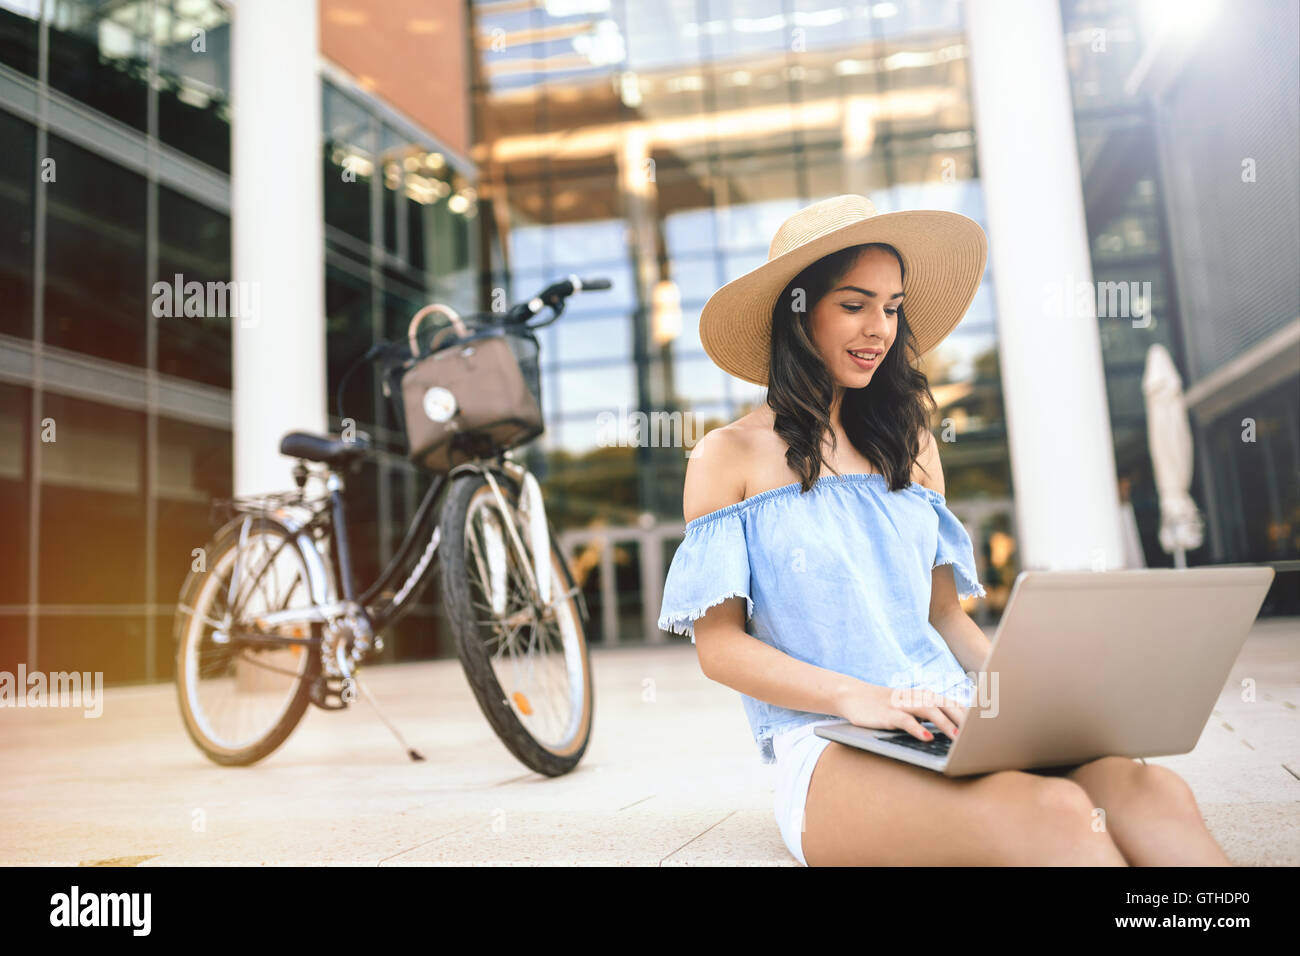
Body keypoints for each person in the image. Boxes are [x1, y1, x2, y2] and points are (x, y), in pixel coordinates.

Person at [656, 195, 1230, 867]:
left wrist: (1028, 698)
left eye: (893, 308)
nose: (880, 328)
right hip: (832, 738)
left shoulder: (913, 442)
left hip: (953, 715)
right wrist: (860, 696)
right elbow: (719, 648)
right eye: (854, 304)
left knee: (1150, 789)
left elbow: (943, 619)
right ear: (797, 310)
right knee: (1056, 815)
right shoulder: (728, 455)